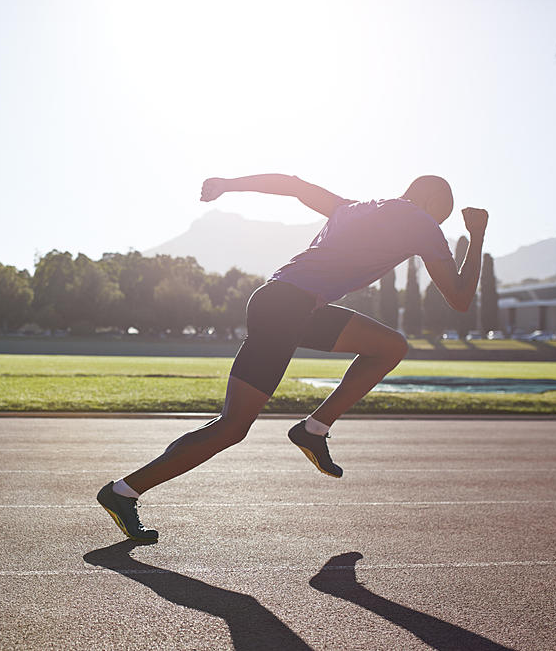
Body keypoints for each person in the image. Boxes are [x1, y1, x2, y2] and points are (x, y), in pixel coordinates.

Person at [97, 173, 489, 542]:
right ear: (430, 200)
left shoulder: (352, 207)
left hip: (285, 301)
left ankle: (313, 430)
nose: (436, 229)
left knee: (390, 346)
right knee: (232, 427)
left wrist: (228, 184)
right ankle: (124, 491)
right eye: (441, 215)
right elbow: (459, 298)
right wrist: (476, 235)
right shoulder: (421, 221)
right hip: (289, 308)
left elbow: (293, 186)